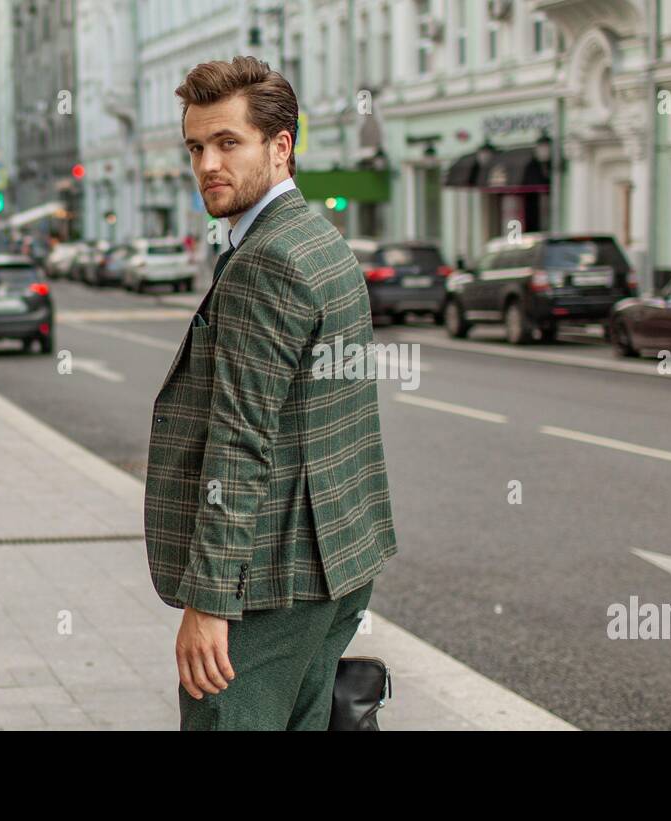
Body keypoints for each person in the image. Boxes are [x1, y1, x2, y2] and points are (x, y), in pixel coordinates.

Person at [144, 56, 397, 731]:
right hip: (333, 561)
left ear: (280, 146)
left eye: (229, 142)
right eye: (197, 146)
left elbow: (240, 441)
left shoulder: (270, 261)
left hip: (268, 579)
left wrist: (209, 601)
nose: (207, 164)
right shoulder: (318, 239)